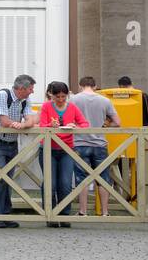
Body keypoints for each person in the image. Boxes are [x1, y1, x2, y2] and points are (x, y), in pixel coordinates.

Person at [0, 74, 36, 228]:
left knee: (8, 179)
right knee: (0, 178)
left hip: (12, 143)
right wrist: (21, 125)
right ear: (21, 88)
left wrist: (24, 124)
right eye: (30, 89)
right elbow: (4, 121)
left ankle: (5, 215)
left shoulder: (25, 99)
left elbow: (30, 119)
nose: (32, 92)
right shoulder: (2, 95)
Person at [38, 81, 89, 227]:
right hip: (48, 148)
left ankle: (64, 214)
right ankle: (50, 214)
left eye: (63, 96)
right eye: (57, 97)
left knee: (66, 183)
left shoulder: (72, 107)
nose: (60, 100)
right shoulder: (46, 106)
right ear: (51, 96)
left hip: (67, 149)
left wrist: (75, 126)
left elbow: (85, 124)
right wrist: (50, 125)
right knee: (50, 183)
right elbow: (42, 126)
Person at [70, 76, 120, 216]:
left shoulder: (74, 99)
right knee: (103, 178)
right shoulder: (105, 100)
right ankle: (105, 212)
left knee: (82, 179)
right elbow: (118, 122)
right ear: (95, 86)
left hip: (80, 143)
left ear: (80, 86)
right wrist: (107, 124)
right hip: (100, 143)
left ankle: (82, 212)